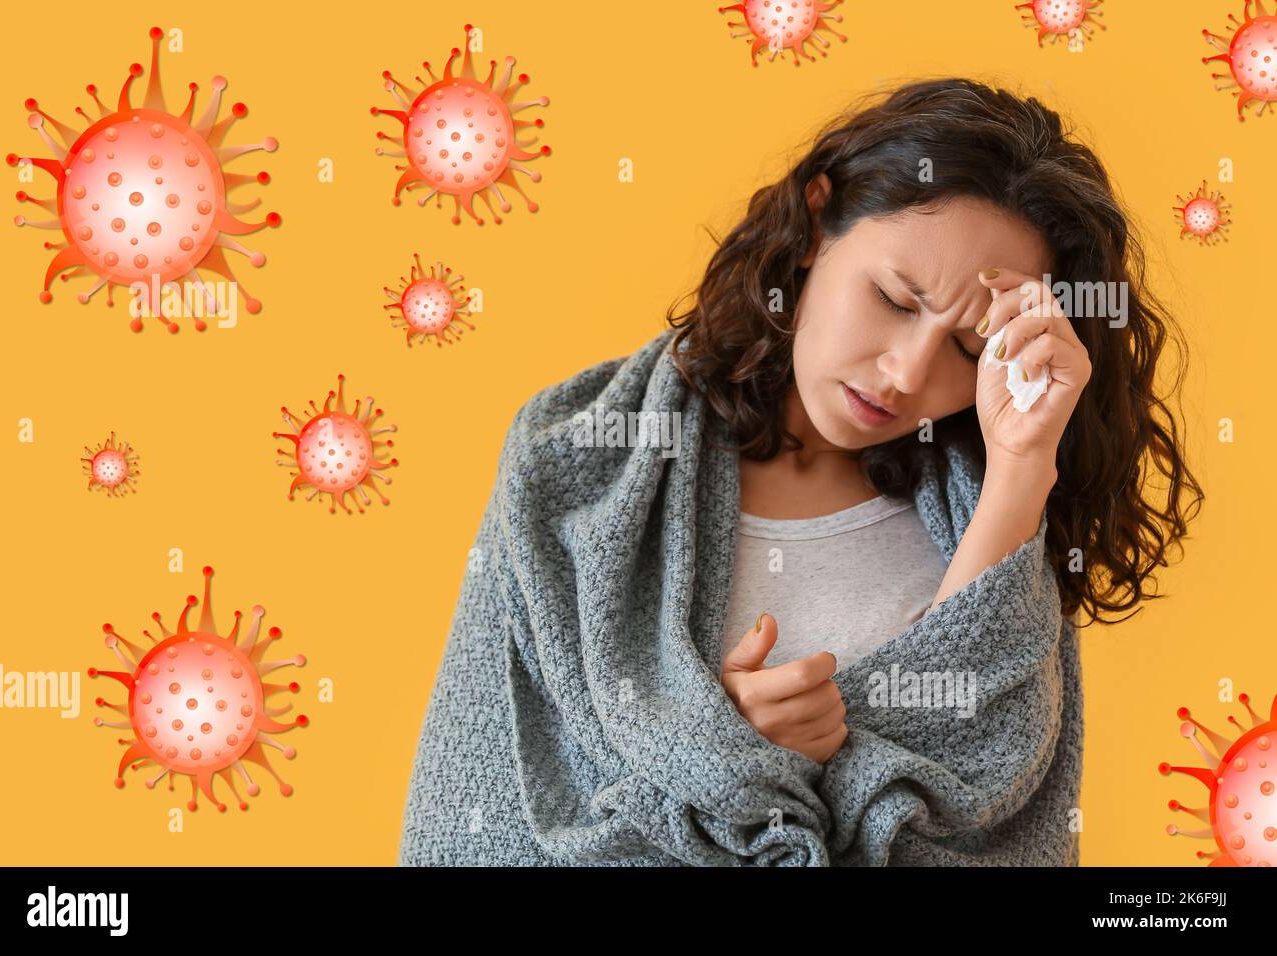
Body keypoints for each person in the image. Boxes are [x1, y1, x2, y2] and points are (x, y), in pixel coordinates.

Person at [398, 78, 1204, 866]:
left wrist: (1023, 466)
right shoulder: (579, 462)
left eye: (969, 347)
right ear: (819, 220)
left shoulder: (992, 514)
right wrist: (718, 750)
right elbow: (491, 815)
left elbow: (979, 782)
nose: (905, 372)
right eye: (894, 298)